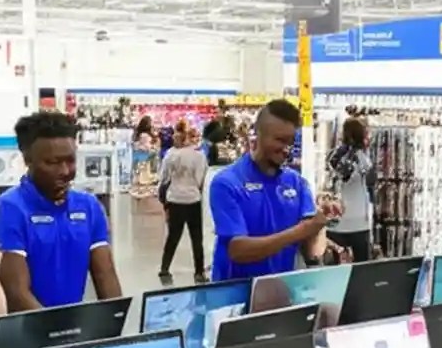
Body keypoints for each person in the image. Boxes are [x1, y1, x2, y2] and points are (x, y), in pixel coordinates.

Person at [0, 111, 123, 312]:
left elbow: (105, 276)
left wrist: (116, 324)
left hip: (71, 327)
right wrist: (56, 332)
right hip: (27, 331)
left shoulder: (89, 206)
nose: (64, 171)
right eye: (52, 163)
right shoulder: (9, 208)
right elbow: (16, 291)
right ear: (27, 159)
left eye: (70, 160)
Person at [209, 98, 340, 282]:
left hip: (279, 292)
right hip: (231, 297)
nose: (286, 149)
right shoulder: (227, 183)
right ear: (257, 136)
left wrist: (322, 222)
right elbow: (238, 250)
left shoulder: (297, 183)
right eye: (280, 140)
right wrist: (301, 231)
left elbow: (311, 251)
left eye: (290, 141)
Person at [158, 126, 209, 285]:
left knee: (173, 236)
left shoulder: (170, 155)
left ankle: (164, 269)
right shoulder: (198, 156)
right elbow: (201, 178)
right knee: (196, 238)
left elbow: (164, 177)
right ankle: (199, 272)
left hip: (174, 198)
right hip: (193, 199)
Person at [325, 117, 374, 263]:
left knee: (333, 269)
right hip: (358, 221)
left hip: (336, 219)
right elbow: (369, 180)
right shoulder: (362, 158)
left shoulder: (334, 155)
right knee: (361, 269)